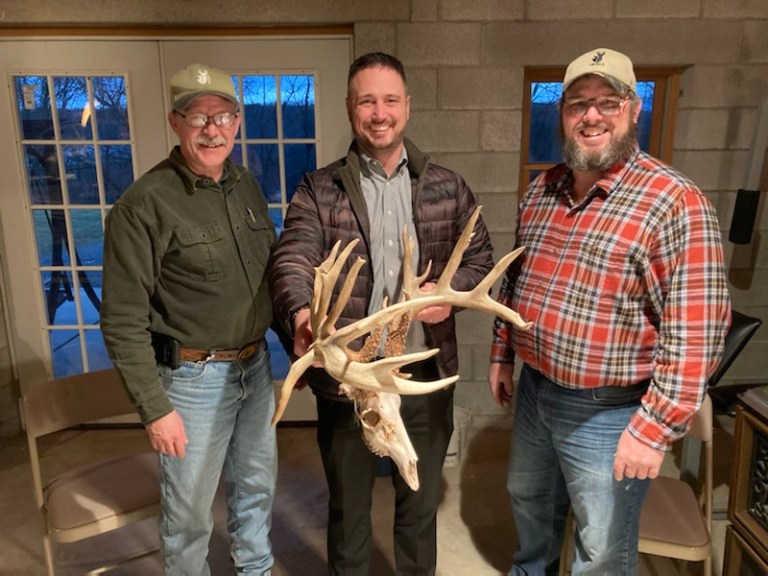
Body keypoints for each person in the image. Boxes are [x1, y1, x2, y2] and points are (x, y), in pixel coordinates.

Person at [488, 47, 731, 576]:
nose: (591, 115)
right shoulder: (542, 190)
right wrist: (502, 354)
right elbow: (513, 282)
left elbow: (698, 334)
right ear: (564, 114)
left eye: (607, 101)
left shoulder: (675, 202)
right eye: (578, 104)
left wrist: (655, 429)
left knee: (600, 545)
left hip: (609, 409)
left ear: (633, 108)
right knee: (528, 504)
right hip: (536, 390)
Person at [269, 51, 494, 576]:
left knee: (418, 506)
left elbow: (480, 256)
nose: (379, 112)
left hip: (422, 375)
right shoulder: (318, 190)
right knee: (348, 511)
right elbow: (292, 257)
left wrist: (451, 288)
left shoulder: (448, 186)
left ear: (407, 107)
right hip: (350, 376)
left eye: (390, 100)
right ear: (350, 108)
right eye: (367, 100)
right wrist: (301, 318)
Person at [101, 63, 277, 575]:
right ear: (174, 122)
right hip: (192, 382)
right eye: (197, 117)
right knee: (189, 517)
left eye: (222, 116)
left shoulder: (245, 187)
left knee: (256, 494)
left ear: (237, 122)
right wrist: (155, 408)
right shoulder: (144, 205)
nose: (212, 129)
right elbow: (121, 318)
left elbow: (264, 280)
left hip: (256, 368)